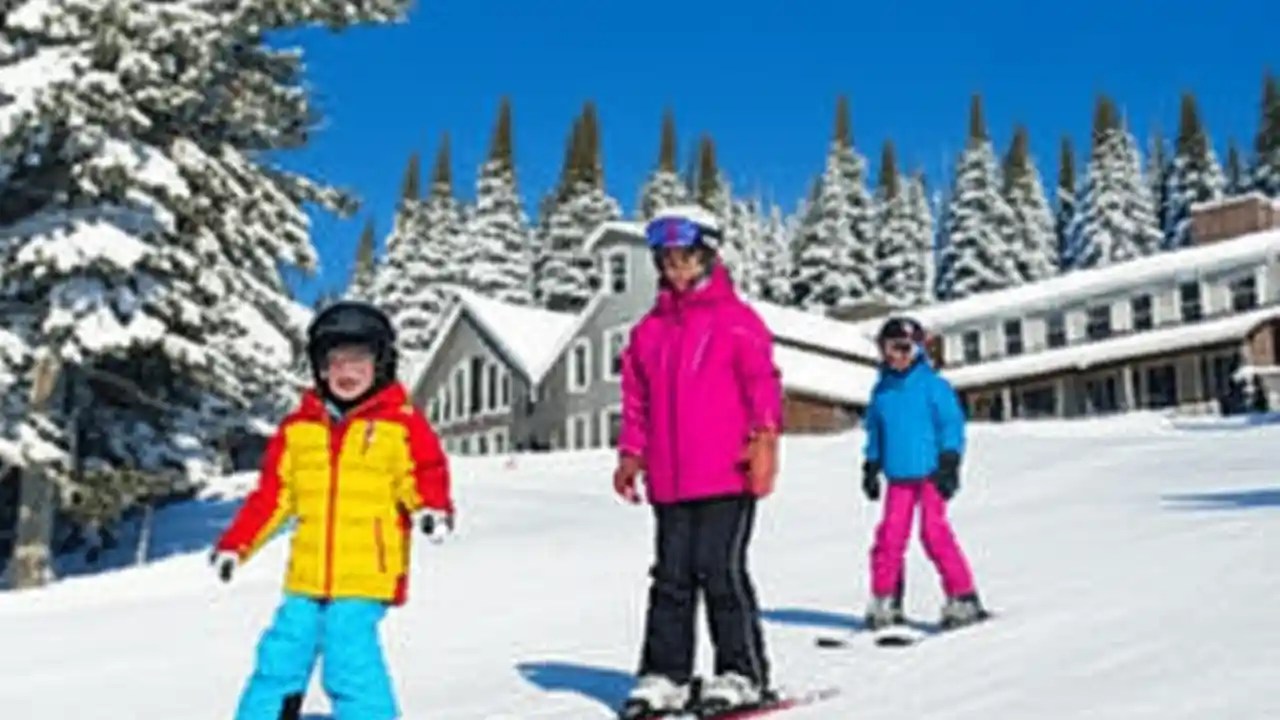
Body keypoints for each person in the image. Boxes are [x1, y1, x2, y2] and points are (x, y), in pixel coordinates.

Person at [210, 300, 455, 720]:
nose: (346, 372)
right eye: (335, 361)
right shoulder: (297, 430)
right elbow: (272, 497)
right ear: (319, 368)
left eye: (358, 360)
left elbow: (423, 472)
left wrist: (431, 508)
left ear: (381, 362)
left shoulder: (401, 424)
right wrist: (236, 545)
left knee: (348, 654)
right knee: (282, 651)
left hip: (367, 574)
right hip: (307, 574)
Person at [613, 205, 783, 718]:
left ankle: (743, 673)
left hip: (726, 472)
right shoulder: (648, 333)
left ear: (707, 258)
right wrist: (631, 454)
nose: (676, 270)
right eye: (666, 261)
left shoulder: (737, 321)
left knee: (721, 572)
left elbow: (762, 384)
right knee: (670, 577)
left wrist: (764, 438)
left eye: (685, 259)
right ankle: (667, 674)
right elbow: (636, 401)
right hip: (669, 479)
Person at [861, 316, 986, 631]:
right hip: (898, 477)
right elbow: (876, 431)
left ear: (917, 350)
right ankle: (885, 598)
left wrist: (950, 462)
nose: (896, 356)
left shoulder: (934, 387)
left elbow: (951, 426)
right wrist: (871, 465)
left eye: (903, 349)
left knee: (933, 532)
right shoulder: (882, 391)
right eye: (889, 349)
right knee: (889, 537)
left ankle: (962, 596)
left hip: (931, 473)